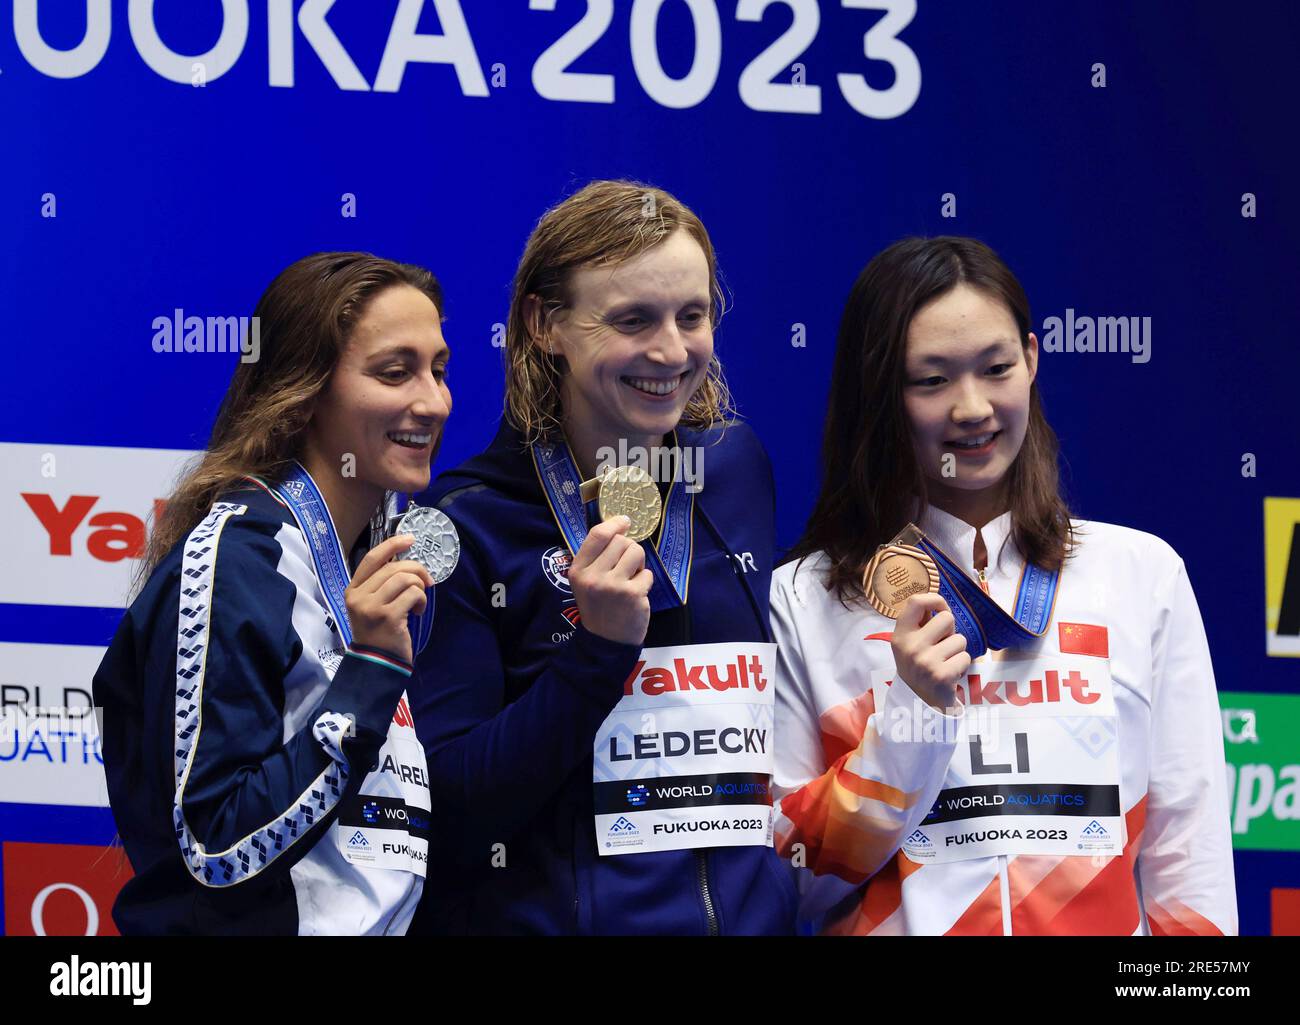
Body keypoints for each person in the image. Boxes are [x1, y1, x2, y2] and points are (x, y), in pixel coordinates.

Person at [771, 236, 1236, 935]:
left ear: (1032, 358)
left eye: (996, 368)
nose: (972, 408)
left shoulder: (1142, 575)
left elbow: (1190, 855)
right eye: (931, 380)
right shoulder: (805, 598)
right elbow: (788, 880)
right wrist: (909, 723)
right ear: (880, 392)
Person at [409, 180, 797, 935]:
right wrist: (596, 652)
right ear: (545, 324)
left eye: (693, 316)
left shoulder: (736, 467)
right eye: (632, 320)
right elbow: (451, 811)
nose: (671, 351)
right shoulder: (465, 525)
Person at [93, 252, 452, 934]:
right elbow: (217, 845)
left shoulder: (357, 563)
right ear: (308, 387)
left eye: (439, 368)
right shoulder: (239, 557)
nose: (434, 401)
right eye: (394, 370)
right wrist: (369, 672)